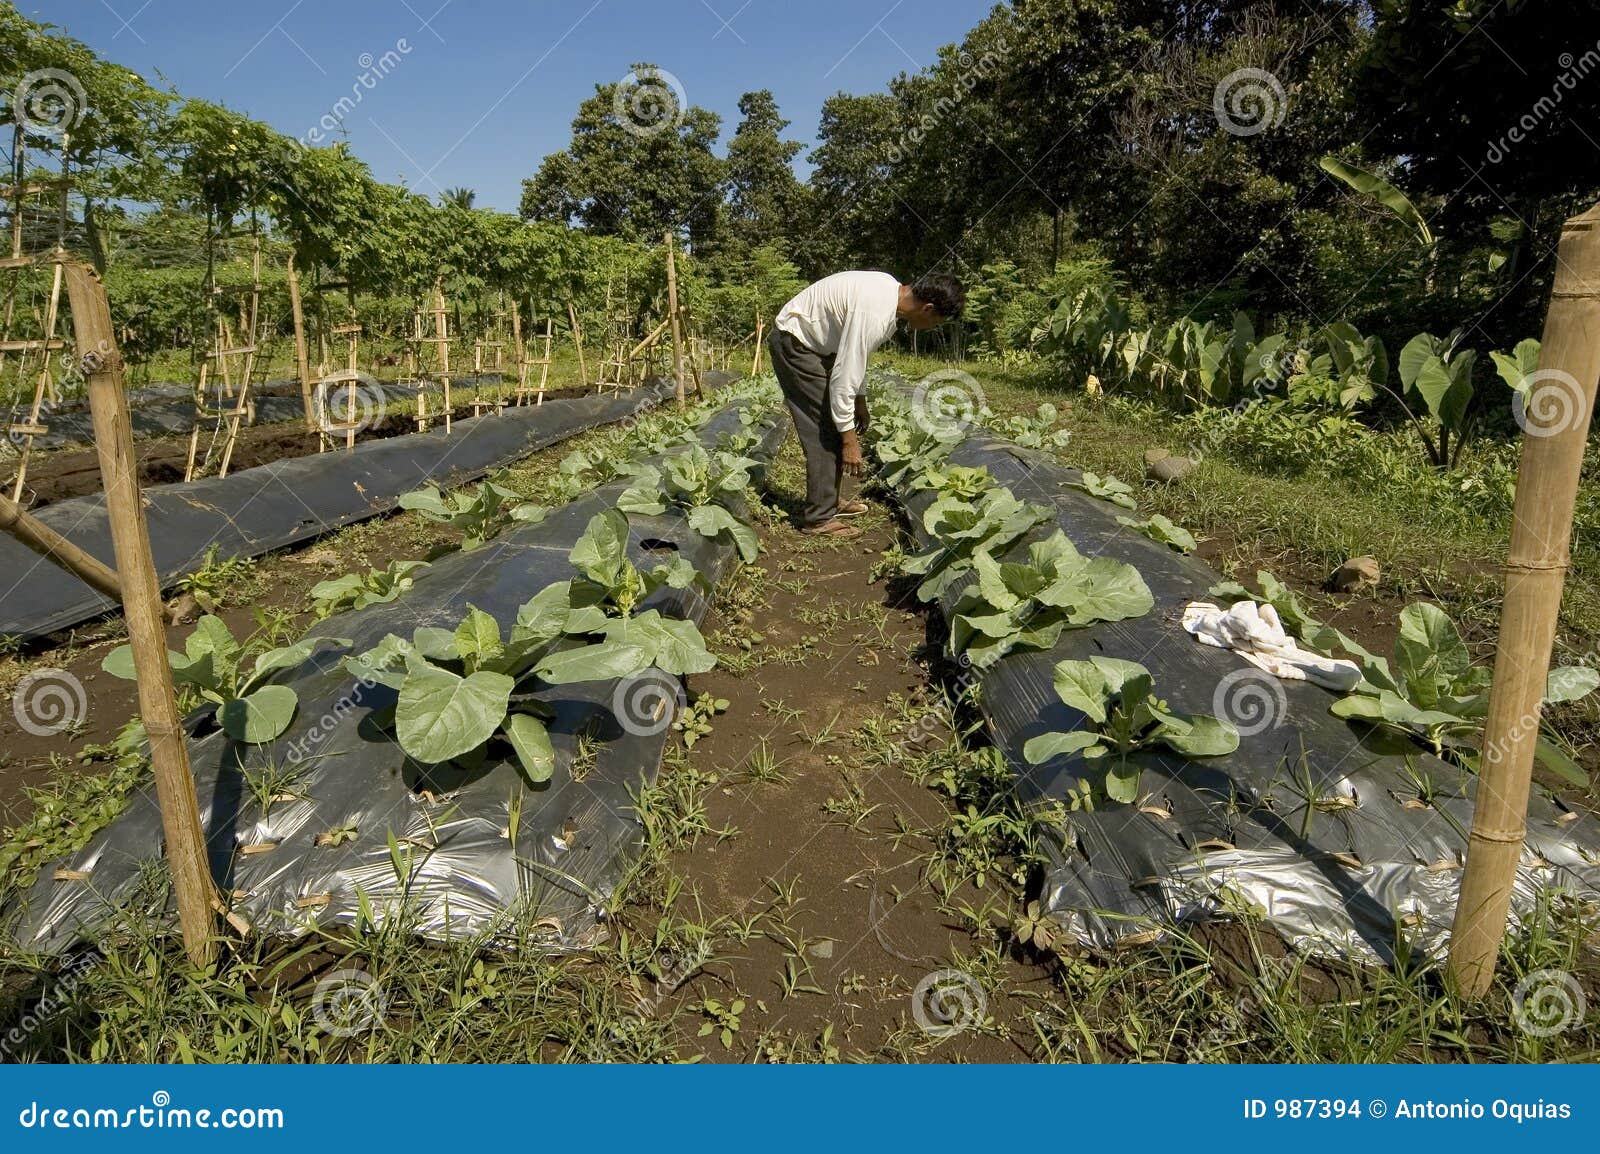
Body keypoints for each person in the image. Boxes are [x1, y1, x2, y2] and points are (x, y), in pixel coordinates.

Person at [768, 271, 965, 537]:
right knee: (824, 427)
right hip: (796, 343)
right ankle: (818, 519)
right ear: (928, 308)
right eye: (937, 321)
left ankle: (828, 500)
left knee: (832, 421)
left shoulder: (889, 293)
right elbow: (844, 377)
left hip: (817, 345)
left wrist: (860, 400)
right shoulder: (875, 313)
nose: (933, 327)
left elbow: (858, 358)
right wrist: (849, 441)